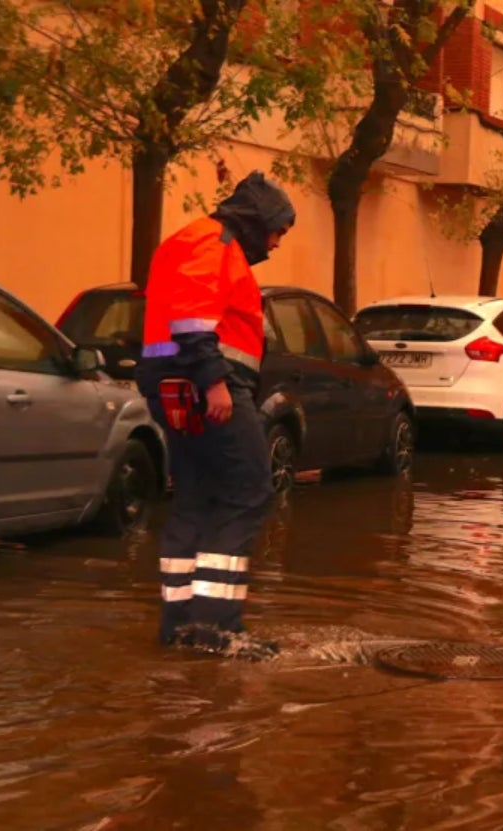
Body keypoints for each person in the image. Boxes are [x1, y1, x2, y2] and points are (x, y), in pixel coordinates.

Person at [135, 170, 295, 659]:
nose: (275, 242)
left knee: (196, 497)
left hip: (174, 383)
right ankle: (218, 629)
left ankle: (180, 626)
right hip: (205, 383)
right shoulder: (215, 244)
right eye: (277, 231)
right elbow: (191, 316)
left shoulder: (193, 240)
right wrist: (215, 381)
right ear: (257, 220)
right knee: (249, 492)